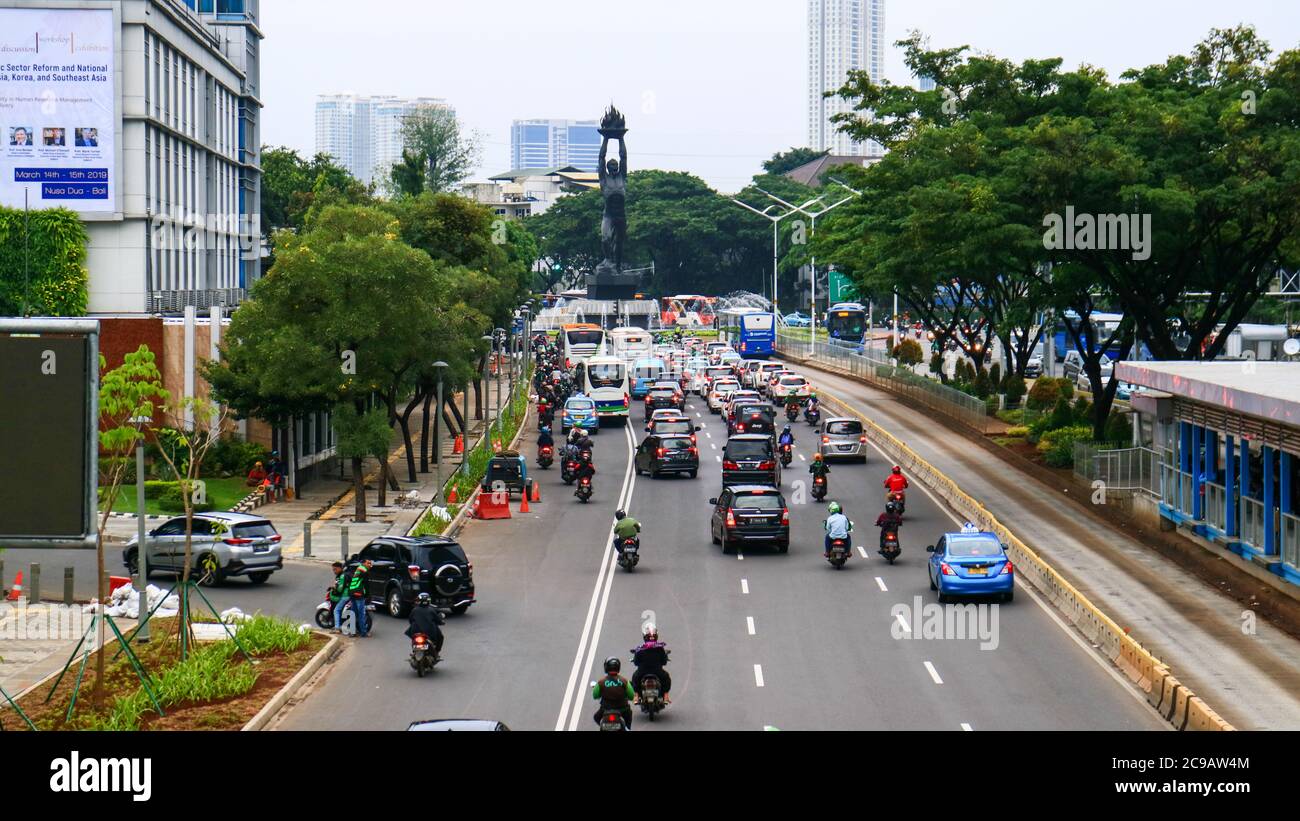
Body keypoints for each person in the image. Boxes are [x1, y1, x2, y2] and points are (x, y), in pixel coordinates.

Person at [631, 624, 671, 703]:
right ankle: (666, 696)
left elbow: (636, 662)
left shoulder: (640, 649)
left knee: (635, 677)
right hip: (658, 672)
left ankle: (636, 695)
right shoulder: (660, 648)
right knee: (666, 678)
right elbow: (664, 662)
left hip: (642, 672)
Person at [592, 656, 635, 729]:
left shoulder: (601, 682)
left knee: (596, 717)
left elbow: (595, 695)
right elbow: (631, 696)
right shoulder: (624, 681)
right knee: (628, 717)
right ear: (618, 667)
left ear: (606, 667)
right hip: (623, 710)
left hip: (605, 709)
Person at [404, 592, 445, 657]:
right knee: (440, 637)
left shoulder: (414, 610)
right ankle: (436, 652)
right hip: (429, 633)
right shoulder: (431, 610)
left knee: (413, 637)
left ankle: (414, 651)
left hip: (415, 631)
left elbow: (410, 620)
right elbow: (438, 620)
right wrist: (441, 622)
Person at [348, 558, 373, 637]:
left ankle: (352, 632)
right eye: (368, 563)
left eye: (370, 563)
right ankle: (363, 632)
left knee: (353, 613)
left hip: (352, 593)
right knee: (361, 614)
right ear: (363, 563)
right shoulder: (364, 571)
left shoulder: (358, 570)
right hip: (359, 594)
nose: (370, 565)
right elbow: (366, 585)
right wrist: (368, 596)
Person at [328, 561, 348, 633]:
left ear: (340, 568)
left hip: (345, 596)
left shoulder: (342, 576)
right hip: (345, 595)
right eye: (333, 569)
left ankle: (337, 628)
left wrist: (333, 589)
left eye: (335, 569)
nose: (334, 571)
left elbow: (340, 589)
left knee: (336, 610)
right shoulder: (340, 575)